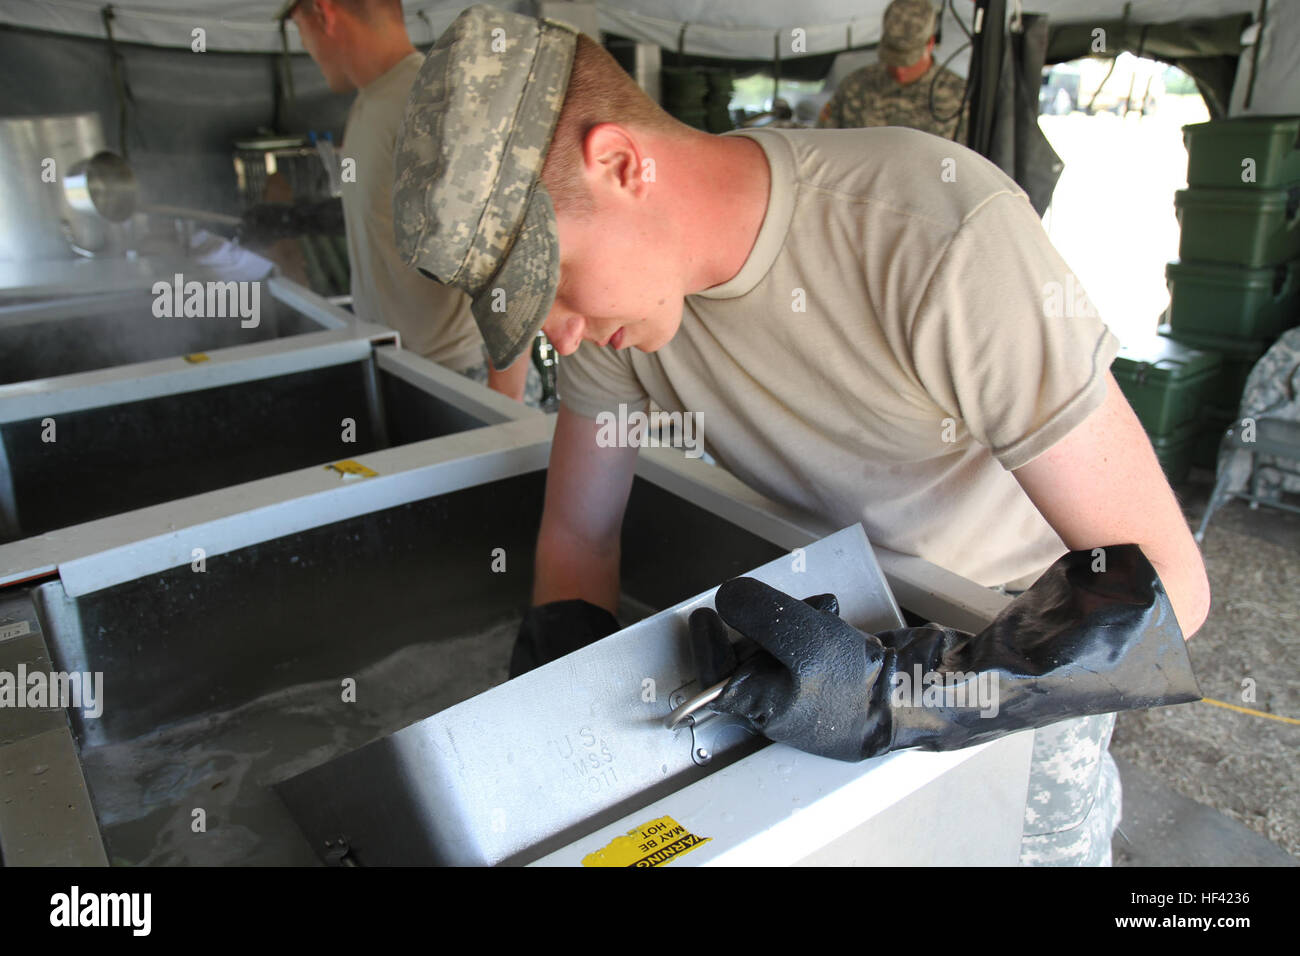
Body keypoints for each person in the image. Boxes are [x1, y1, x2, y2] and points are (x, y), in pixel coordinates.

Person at [392, 6, 1211, 866]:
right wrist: (558, 726)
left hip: (1022, 636)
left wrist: (903, 697)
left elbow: (1170, 590)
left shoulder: (936, 232)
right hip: (832, 622)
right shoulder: (610, 328)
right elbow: (579, 535)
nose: (557, 337)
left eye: (551, 284)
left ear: (622, 164)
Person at [278, 0, 533, 400]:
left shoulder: (432, 99)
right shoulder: (370, 101)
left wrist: (502, 404)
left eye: (297, 27)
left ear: (323, 13)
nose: (304, 47)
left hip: (455, 378)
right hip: (400, 369)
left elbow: (515, 251)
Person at [817, 0, 968, 139]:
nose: (899, 71)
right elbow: (822, 141)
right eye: (892, 60)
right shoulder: (854, 87)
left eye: (908, 62)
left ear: (930, 43)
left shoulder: (960, 98)